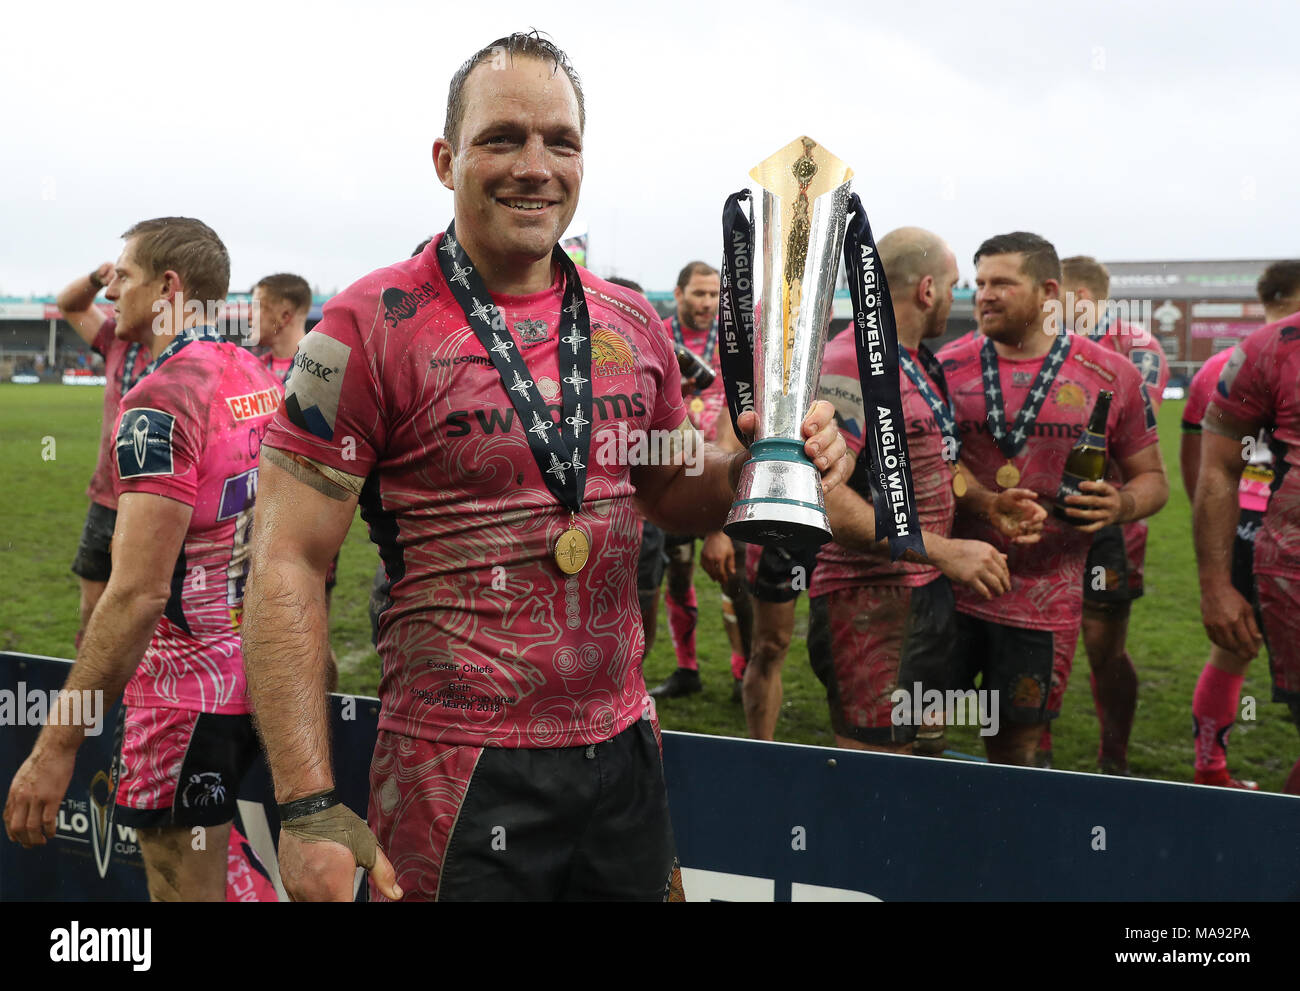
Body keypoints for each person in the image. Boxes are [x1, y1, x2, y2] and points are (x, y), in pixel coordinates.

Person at [240, 31, 849, 902]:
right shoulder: (361, 326)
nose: (536, 165)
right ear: (447, 158)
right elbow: (287, 561)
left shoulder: (632, 320)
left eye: (560, 141)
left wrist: (762, 456)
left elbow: (674, 491)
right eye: (503, 139)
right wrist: (304, 804)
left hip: (623, 754)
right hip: (454, 768)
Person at [4, 217, 281, 900]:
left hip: (184, 690)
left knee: (178, 878)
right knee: (221, 863)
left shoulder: (160, 399)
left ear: (167, 287)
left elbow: (135, 594)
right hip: (251, 668)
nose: (114, 288)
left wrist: (56, 746)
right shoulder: (254, 374)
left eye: (123, 276)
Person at [810, 227, 1045, 752]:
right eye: (957, 285)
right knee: (875, 772)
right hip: (868, 602)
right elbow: (825, 496)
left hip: (925, 592)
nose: (962, 298)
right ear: (928, 290)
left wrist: (986, 502)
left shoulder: (917, 359)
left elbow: (931, 466)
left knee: (922, 752)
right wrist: (945, 550)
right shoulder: (851, 361)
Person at [937, 232, 1168, 766]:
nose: (984, 295)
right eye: (979, 283)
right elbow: (921, 464)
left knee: (1016, 746)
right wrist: (979, 501)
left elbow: (1152, 480)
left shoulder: (1113, 374)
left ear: (1047, 291)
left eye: (1002, 283)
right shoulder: (945, 367)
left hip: (1047, 596)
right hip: (951, 582)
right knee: (919, 733)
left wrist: (1121, 505)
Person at [1040, 256, 1170, 773]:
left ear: (1085, 298)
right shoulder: (1047, 346)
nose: (1048, 308)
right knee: (1038, 635)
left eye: (1057, 298)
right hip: (1044, 513)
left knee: (1104, 645)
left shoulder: (1137, 349)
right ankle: (1035, 751)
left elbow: (1137, 437)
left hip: (1110, 516)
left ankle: (1113, 758)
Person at [1193, 259, 1300, 795]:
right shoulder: (1267, 352)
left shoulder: (1220, 363)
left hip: (1242, 522)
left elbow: (1200, 469)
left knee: (1231, 651)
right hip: (1274, 532)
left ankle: (1210, 768)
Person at [649, 260, 754, 700]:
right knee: (678, 573)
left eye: (714, 295)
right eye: (698, 294)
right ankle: (687, 669)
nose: (707, 303)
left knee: (733, 578)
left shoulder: (733, 344)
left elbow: (740, 417)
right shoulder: (657, 336)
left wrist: (719, 519)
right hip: (671, 473)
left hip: (724, 475)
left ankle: (742, 672)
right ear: (678, 294)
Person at [249, 273, 340, 689]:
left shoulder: (321, 369)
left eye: (257, 306)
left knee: (309, 644)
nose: (249, 316)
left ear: (283, 314)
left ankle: (323, 721)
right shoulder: (249, 368)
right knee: (257, 638)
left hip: (302, 529)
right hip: (245, 525)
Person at [55, 262, 153, 646]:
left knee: (152, 611)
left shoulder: (196, 351)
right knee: (92, 606)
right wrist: (98, 277)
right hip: (108, 499)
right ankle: (96, 688)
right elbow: (71, 305)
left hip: (162, 504)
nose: (113, 294)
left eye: (125, 281)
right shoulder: (116, 338)